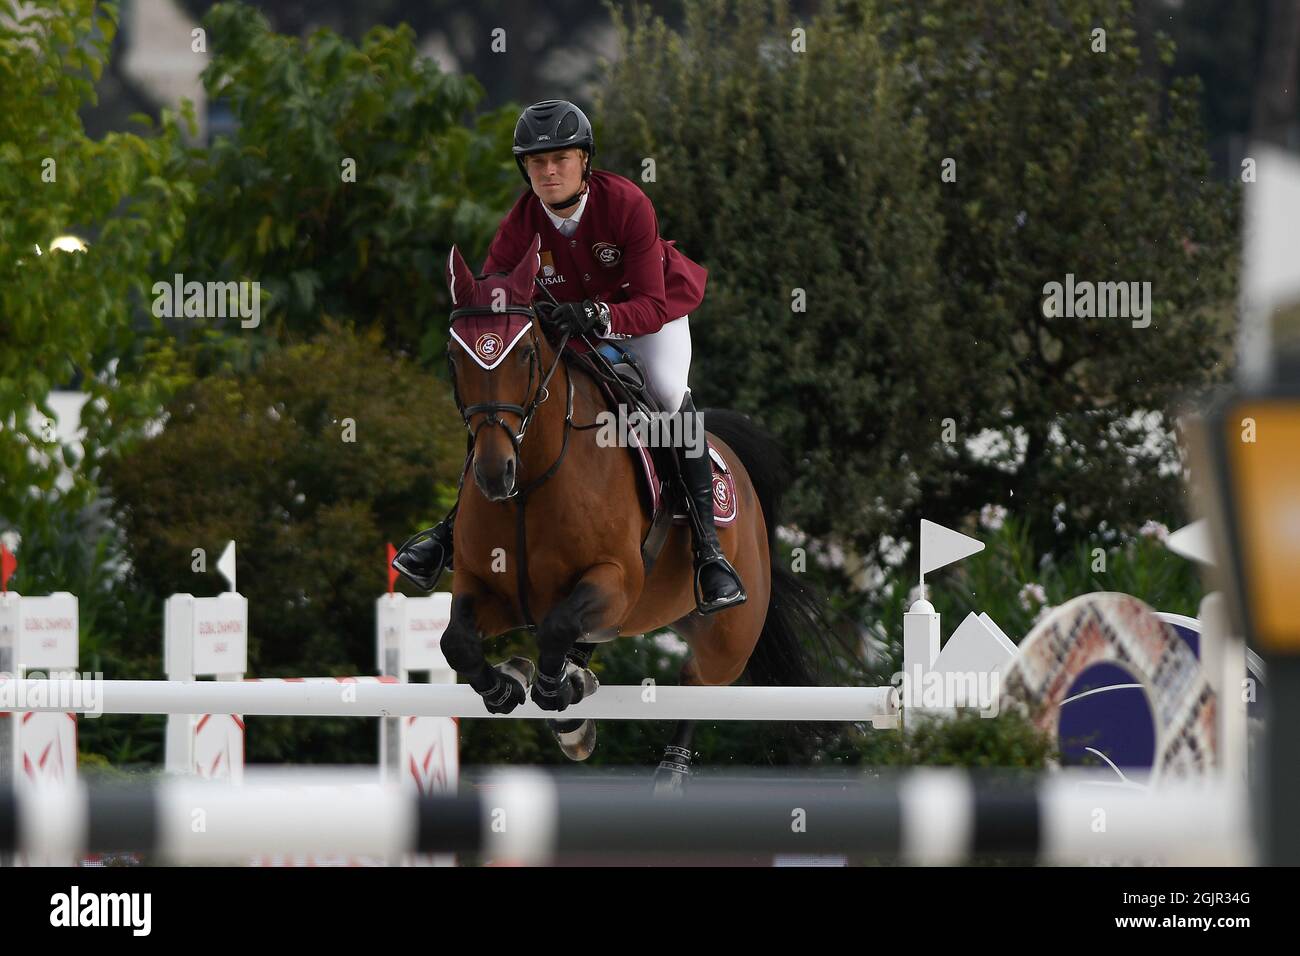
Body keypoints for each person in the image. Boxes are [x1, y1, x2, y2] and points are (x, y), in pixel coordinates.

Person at [393, 99, 745, 615]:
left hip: (648, 317)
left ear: (585, 162)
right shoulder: (520, 225)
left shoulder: (626, 204)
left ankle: (709, 554)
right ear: (525, 169)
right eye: (537, 162)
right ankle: (450, 532)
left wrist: (599, 315)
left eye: (560, 158)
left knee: (668, 399)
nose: (549, 171)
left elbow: (647, 305)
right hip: (569, 329)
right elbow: (499, 302)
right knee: (506, 400)